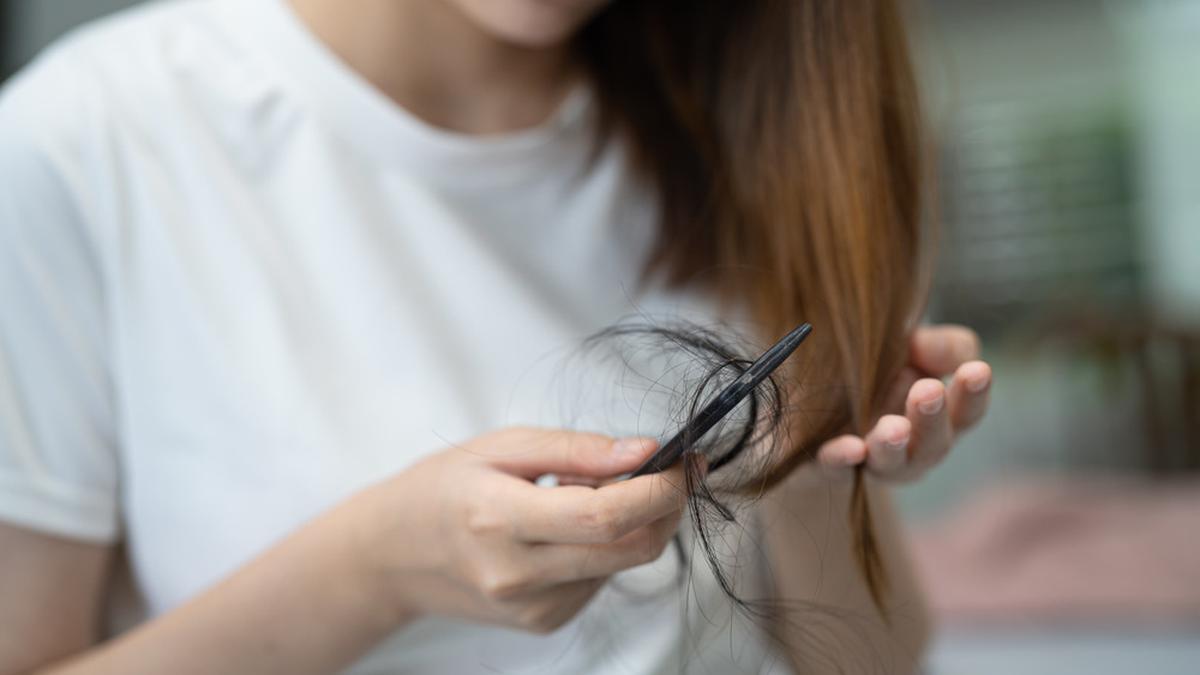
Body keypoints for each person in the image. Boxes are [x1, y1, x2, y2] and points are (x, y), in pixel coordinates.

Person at [0, 0, 992, 673]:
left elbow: (871, 659)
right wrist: (377, 569)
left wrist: (804, 469)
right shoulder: (81, 146)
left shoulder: (741, 127)